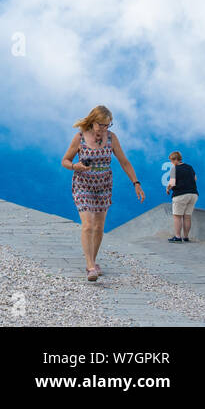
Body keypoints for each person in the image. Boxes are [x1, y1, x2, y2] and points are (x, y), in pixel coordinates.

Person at [61, 105, 145, 281]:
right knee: (88, 225)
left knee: (99, 227)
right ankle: (90, 266)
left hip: (104, 185)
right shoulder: (80, 137)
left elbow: (124, 162)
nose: (104, 128)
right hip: (83, 184)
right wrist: (75, 166)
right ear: (93, 121)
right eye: (101, 124)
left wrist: (136, 183)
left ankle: (93, 260)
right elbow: (65, 161)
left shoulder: (112, 138)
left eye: (108, 125)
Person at [166, 151, 199, 243]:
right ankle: (186, 237)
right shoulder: (190, 167)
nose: (171, 163)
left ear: (175, 159)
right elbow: (195, 178)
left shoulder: (174, 169)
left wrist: (168, 188)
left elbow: (172, 183)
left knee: (177, 216)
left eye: (171, 161)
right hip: (193, 194)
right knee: (187, 216)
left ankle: (177, 237)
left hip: (180, 195)